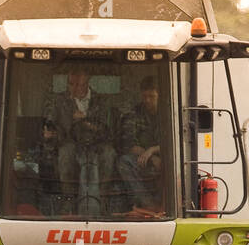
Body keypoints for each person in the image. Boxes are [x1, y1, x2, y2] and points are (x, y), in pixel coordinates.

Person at [42, 70, 116, 215]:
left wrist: (86, 121)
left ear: (87, 83)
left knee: (109, 153)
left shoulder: (101, 101)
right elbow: (54, 127)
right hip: (71, 143)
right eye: (71, 84)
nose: (74, 88)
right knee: (65, 153)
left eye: (78, 85)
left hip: (97, 144)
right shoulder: (60, 102)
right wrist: (49, 134)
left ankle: (103, 199)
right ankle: (69, 199)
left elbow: (109, 131)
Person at [116, 75, 166, 212]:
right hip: (143, 161)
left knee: (174, 164)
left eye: (151, 96)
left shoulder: (169, 113)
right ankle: (147, 204)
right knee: (124, 162)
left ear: (160, 95)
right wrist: (151, 156)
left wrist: (153, 150)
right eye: (144, 96)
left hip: (166, 159)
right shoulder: (134, 114)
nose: (147, 100)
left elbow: (174, 142)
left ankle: (167, 206)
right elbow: (128, 144)